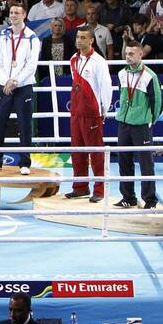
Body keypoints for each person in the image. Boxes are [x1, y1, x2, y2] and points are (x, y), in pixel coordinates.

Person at [0, 3, 40, 175]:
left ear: (24, 14)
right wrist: (5, 80)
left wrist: (15, 81)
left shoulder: (32, 37)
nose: (13, 15)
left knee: (25, 125)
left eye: (17, 12)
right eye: (11, 12)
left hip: (23, 86)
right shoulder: (2, 35)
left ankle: (24, 163)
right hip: (4, 86)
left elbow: (32, 65)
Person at [64, 27, 113, 202]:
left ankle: (100, 190)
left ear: (91, 40)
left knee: (96, 153)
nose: (79, 40)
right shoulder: (73, 59)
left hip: (92, 113)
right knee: (77, 152)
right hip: (76, 112)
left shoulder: (99, 62)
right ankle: (80, 187)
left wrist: (103, 110)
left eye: (83, 37)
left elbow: (106, 87)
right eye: (78, 37)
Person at [114, 42, 161, 210]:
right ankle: (128, 197)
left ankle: (150, 200)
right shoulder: (121, 74)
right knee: (124, 161)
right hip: (124, 123)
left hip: (141, 125)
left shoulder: (150, 76)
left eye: (132, 54)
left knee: (146, 163)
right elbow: (121, 94)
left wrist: (149, 120)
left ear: (141, 55)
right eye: (126, 53)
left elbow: (157, 102)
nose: (128, 56)